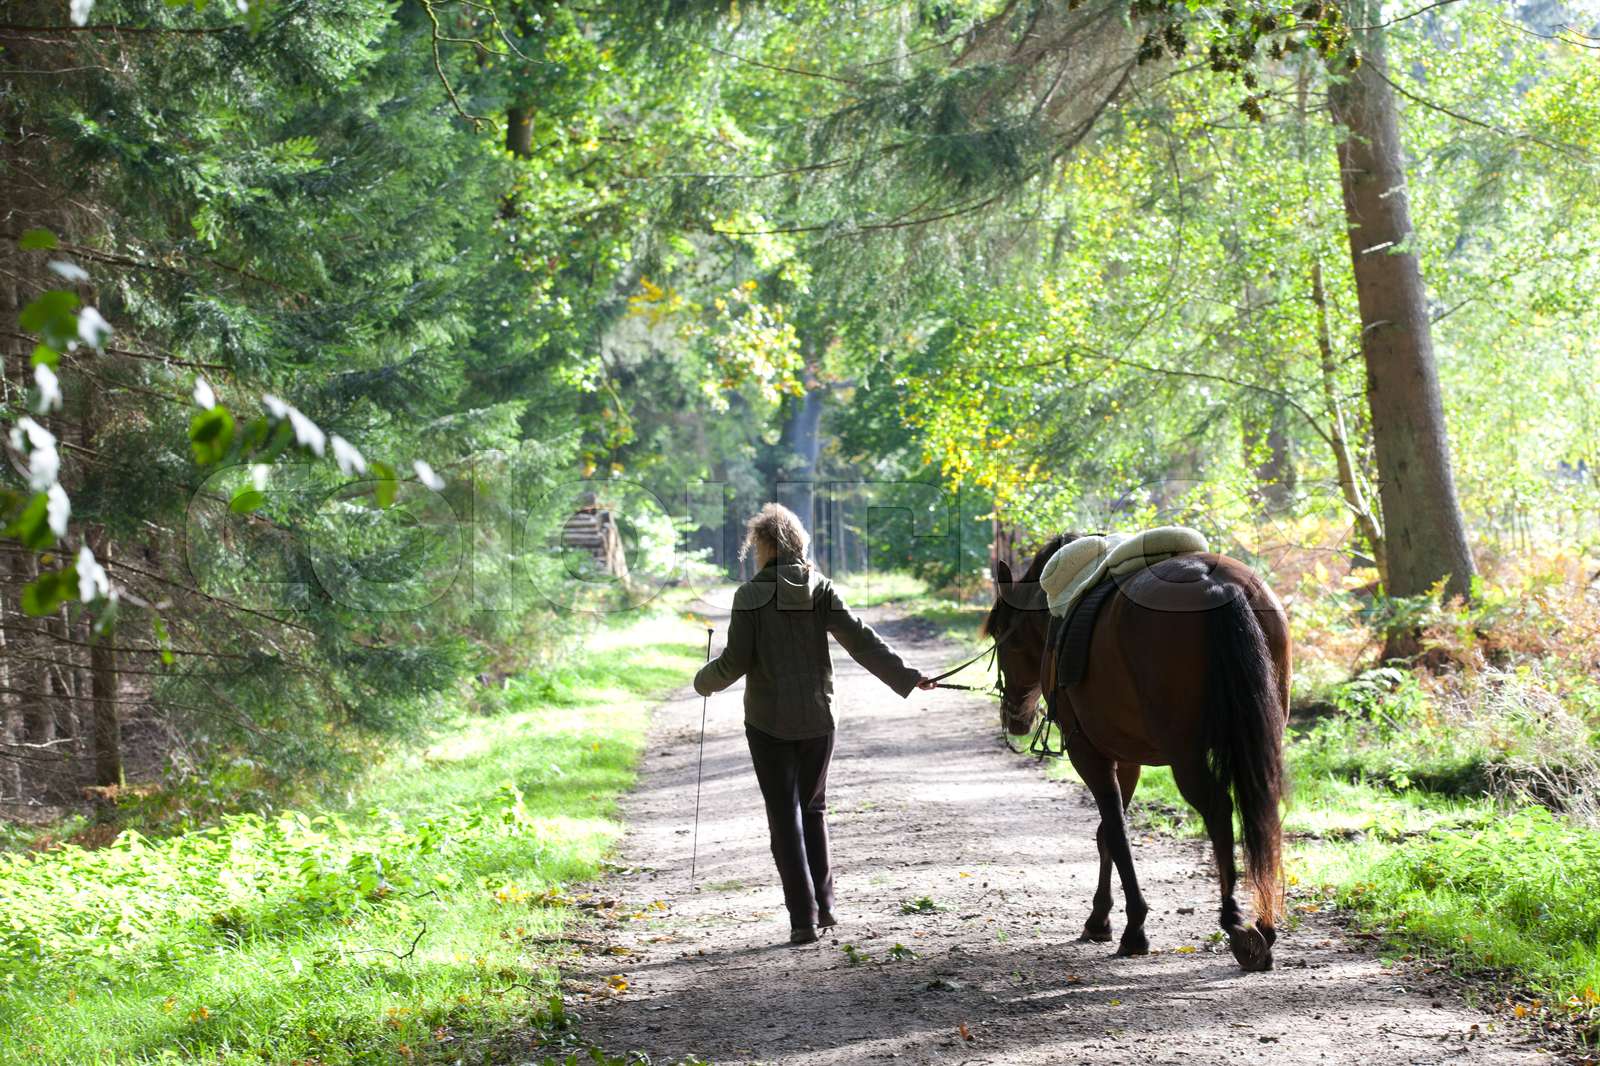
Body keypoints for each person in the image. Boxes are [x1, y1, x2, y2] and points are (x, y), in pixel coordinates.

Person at [693, 503, 935, 945]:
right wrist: (908, 677)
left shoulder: (748, 597)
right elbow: (862, 640)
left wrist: (702, 681)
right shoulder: (820, 589)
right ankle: (826, 906)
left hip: (767, 724)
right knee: (814, 809)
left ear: (761, 548)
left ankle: (802, 920)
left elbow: (734, 664)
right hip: (819, 720)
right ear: (799, 542)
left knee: (784, 818)